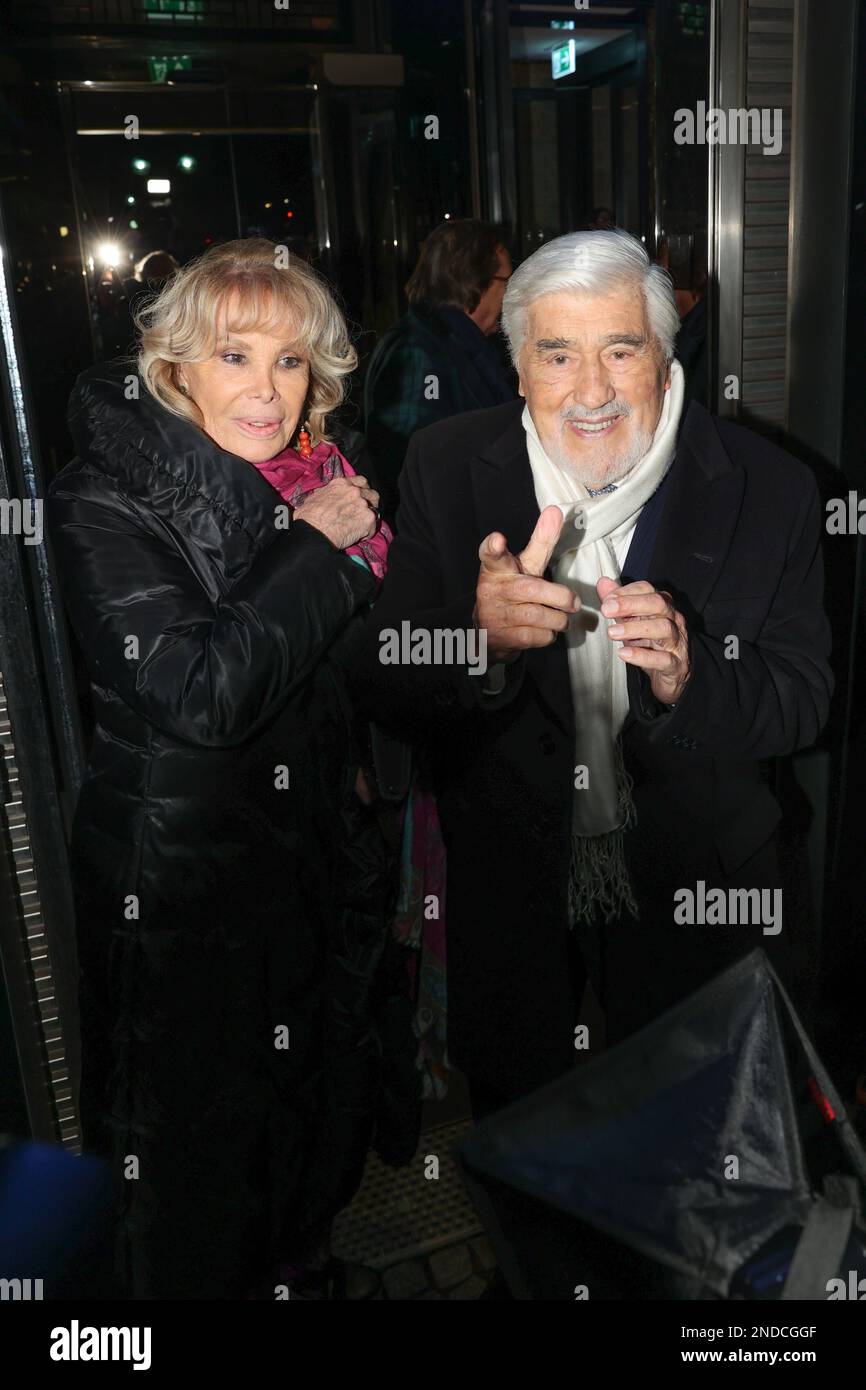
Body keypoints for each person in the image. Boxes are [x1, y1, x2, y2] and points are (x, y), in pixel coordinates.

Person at [352, 228, 832, 1123]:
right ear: (518, 367)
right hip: (513, 881)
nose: (593, 391)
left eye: (622, 349)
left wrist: (693, 679)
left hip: (701, 887)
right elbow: (384, 683)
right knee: (528, 1143)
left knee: (697, 1143)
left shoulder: (773, 487)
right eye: (558, 354)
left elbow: (806, 700)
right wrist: (477, 641)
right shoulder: (449, 465)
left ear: (665, 353)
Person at [48, 237, 393, 1299]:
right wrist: (311, 547)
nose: (265, 389)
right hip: (184, 892)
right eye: (234, 355)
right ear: (173, 368)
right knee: (191, 1175)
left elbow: (361, 678)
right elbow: (201, 692)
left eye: (290, 363)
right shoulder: (100, 500)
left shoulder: (322, 481)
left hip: (308, 868)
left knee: (303, 1122)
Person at [364, 218, 515, 523]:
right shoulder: (419, 349)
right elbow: (406, 467)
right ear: (476, 281)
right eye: (506, 281)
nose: (511, 293)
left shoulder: (457, 343)